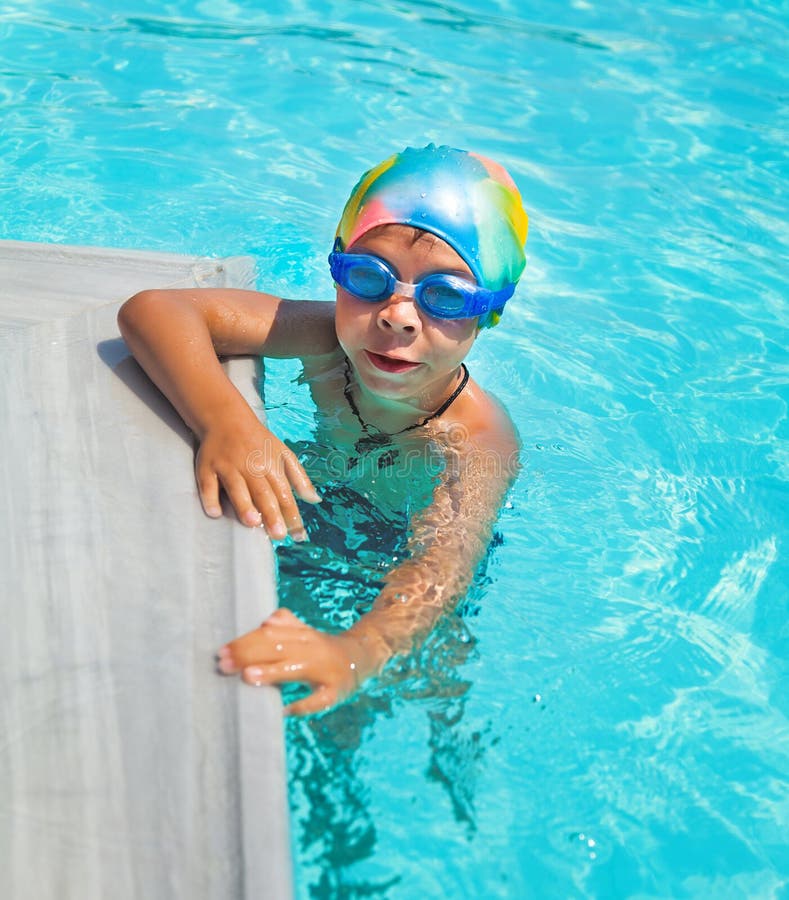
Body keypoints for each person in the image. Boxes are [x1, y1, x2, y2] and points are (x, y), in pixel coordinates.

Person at [118, 143, 529, 716]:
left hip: (400, 563)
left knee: (390, 695)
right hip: (322, 508)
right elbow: (154, 311)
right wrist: (227, 421)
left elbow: (442, 566)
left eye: (445, 296)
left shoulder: (479, 439)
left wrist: (354, 653)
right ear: (337, 269)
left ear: (490, 310)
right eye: (368, 276)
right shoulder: (324, 341)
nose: (397, 314)